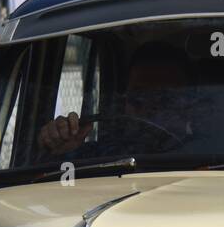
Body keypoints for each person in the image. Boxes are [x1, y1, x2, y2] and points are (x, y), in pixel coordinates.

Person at [38, 41, 195, 157]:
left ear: (189, 105)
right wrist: (60, 150)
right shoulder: (101, 157)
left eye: (164, 99)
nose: (149, 109)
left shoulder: (211, 159)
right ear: (125, 100)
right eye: (138, 99)